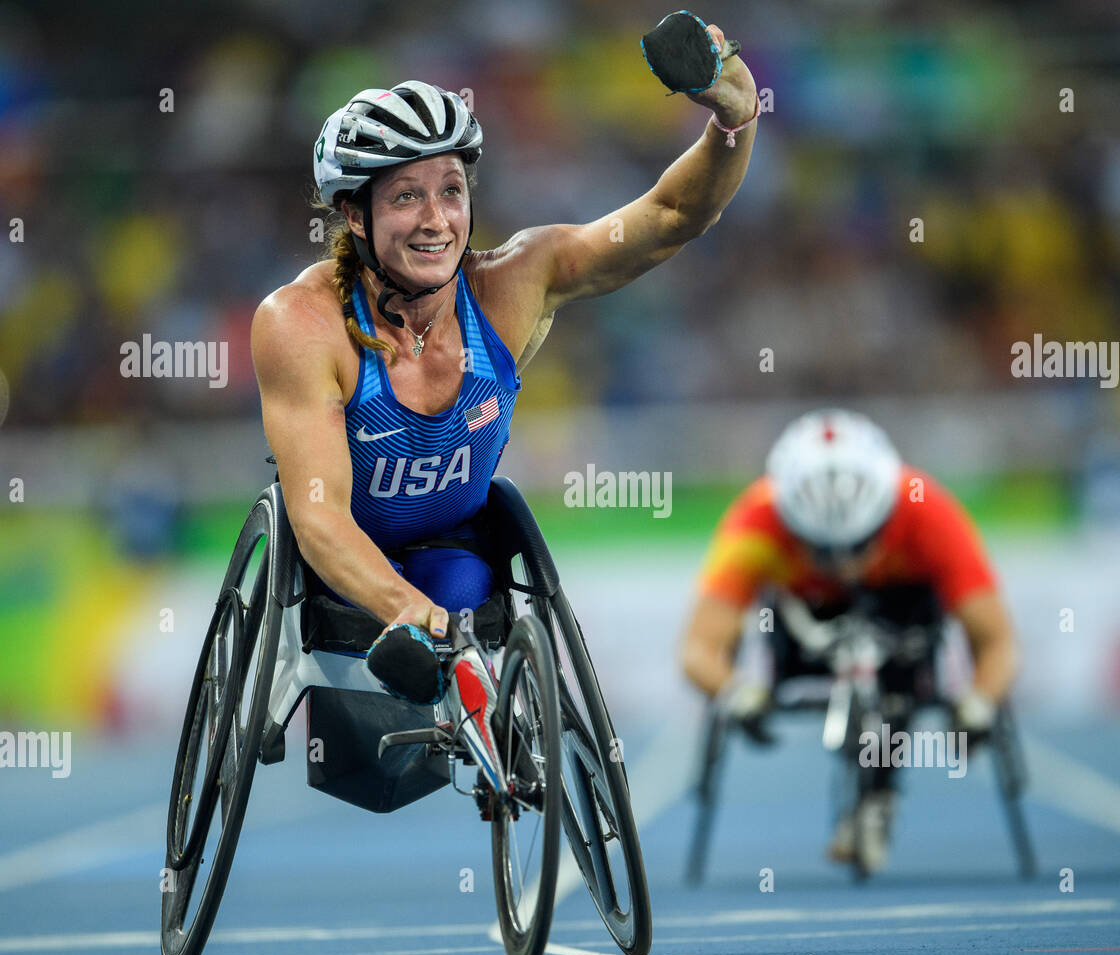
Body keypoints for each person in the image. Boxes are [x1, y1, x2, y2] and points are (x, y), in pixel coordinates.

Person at [251, 23, 758, 712]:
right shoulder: (300, 324)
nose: (437, 220)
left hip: (453, 553)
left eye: (451, 191)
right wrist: (409, 611)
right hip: (343, 568)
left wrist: (734, 118)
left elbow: (670, 214)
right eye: (406, 196)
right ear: (355, 215)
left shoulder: (513, 285)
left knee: (463, 601)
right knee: (428, 624)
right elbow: (319, 518)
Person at [679, 408, 1020, 872]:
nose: (844, 567)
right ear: (791, 521)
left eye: (860, 545)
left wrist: (980, 703)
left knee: (917, 624)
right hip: (803, 631)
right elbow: (697, 648)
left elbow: (996, 637)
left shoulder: (929, 511)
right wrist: (736, 694)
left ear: (885, 512)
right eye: (822, 550)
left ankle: (880, 790)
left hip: (903, 628)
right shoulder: (755, 521)